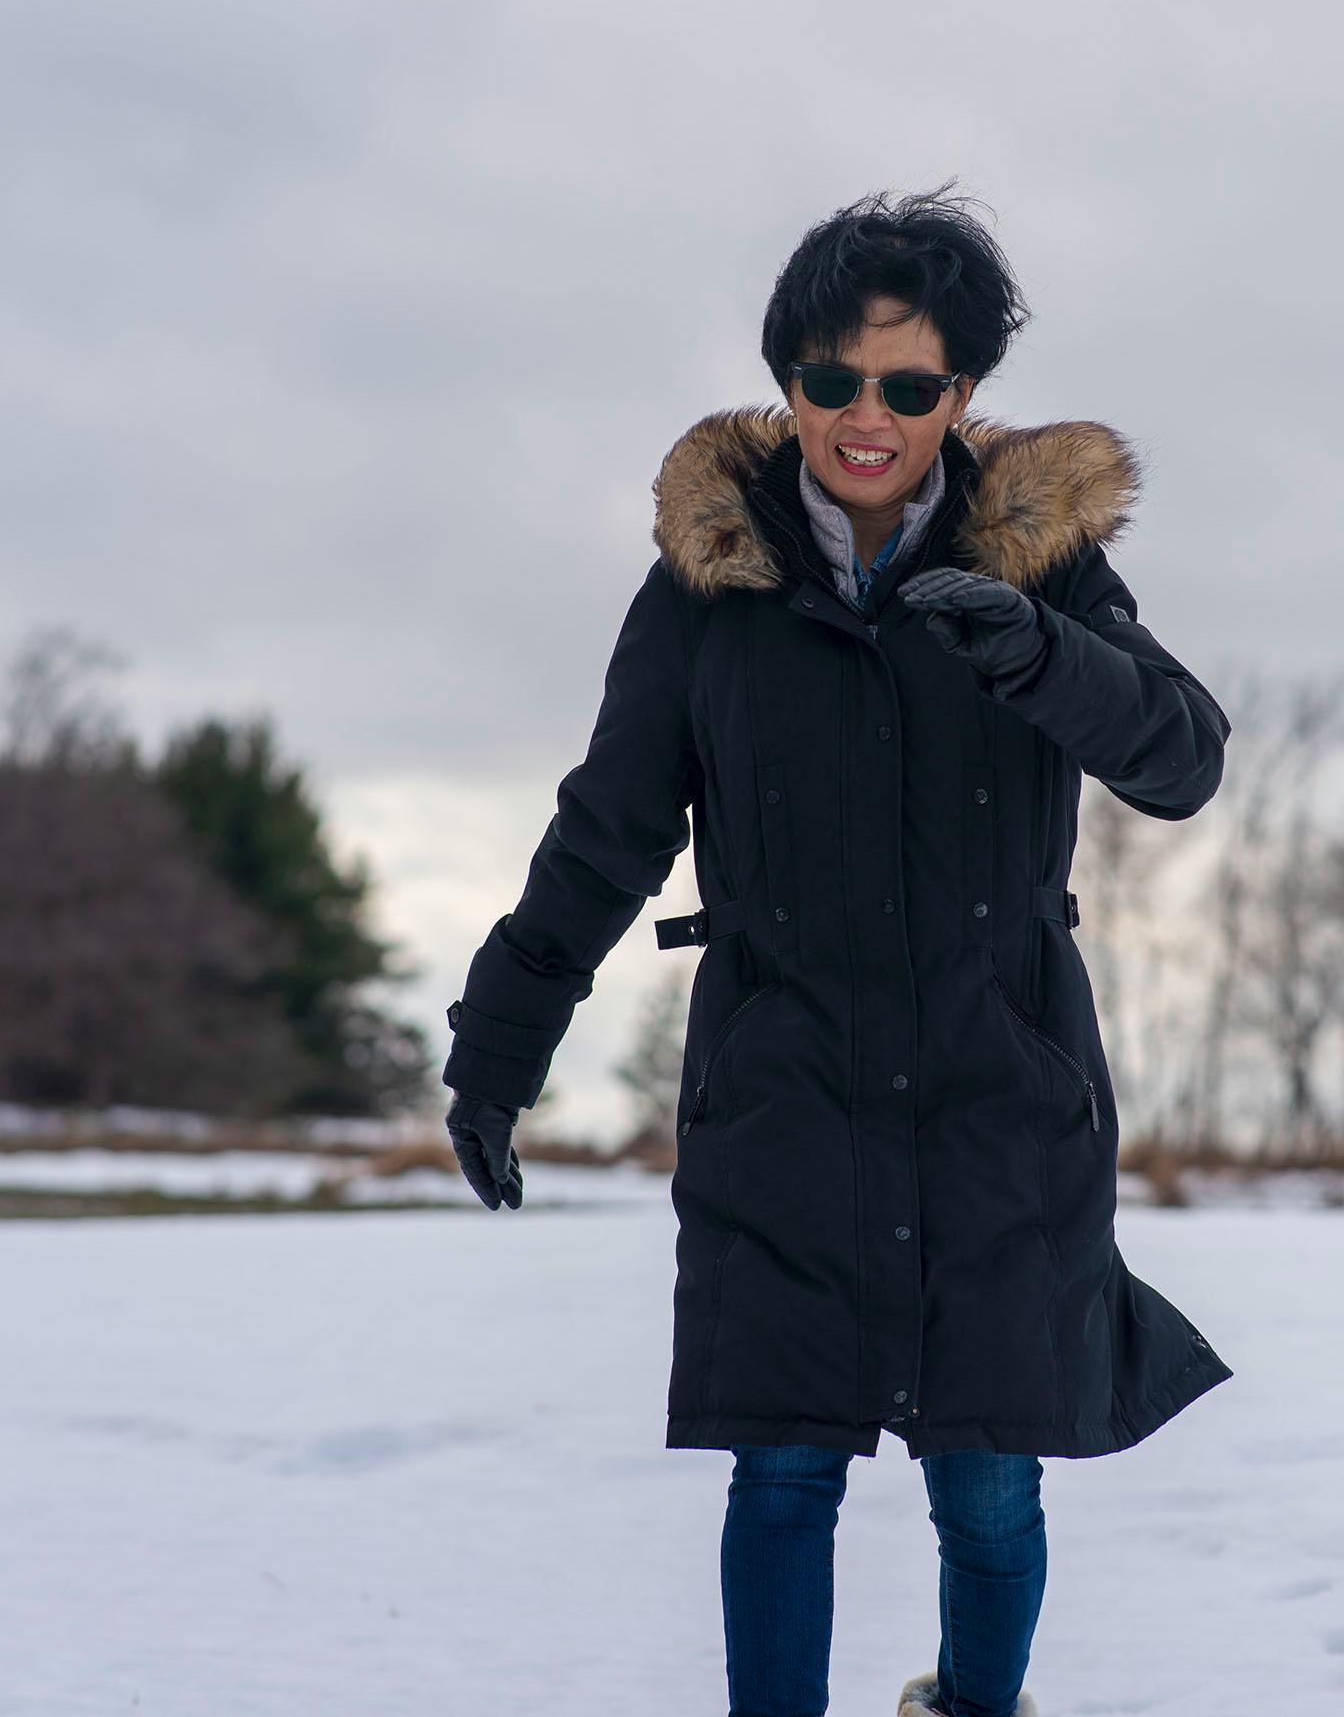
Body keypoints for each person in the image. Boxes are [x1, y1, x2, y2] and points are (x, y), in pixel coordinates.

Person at [441, 186, 1235, 1717]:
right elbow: (605, 833)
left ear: (963, 396)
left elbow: (1183, 757)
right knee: (783, 1470)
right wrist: (497, 1048)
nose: (868, 417)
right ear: (789, 380)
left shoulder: (1045, 566)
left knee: (989, 1478)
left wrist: (1042, 653)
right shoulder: (709, 586)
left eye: (909, 386)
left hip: (999, 1091)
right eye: (832, 378)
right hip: (785, 1090)